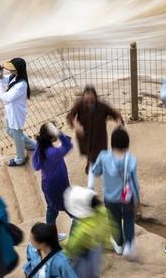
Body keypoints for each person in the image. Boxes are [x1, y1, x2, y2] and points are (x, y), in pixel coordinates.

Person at [88, 127, 140, 258]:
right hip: (126, 197)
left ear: (112, 142)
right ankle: (129, 245)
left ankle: (118, 245)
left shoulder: (103, 156)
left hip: (110, 198)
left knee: (115, 221)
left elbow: (96, 172)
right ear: (126, 143)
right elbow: (134, 182)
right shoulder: (131, 159)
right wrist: (137, 199)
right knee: (128, 219)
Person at [65, 86, 124, 172]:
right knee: (88, 151)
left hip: (99, 135)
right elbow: (70, 116)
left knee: (100, 152)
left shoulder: (102, 106)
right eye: (86, 100)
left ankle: (97, 163)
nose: (89, 102)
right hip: (84, 134)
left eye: (91, 100)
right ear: (83, 98)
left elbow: (115, 114)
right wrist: (76, 124)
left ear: (95, 97)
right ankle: (90, 161)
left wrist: (119, 122)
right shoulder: (79, 105)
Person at [62, 186, 115, 278]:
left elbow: (71, 248)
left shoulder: (82, 230)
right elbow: (110, 229)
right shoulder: (103, 212)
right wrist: (106, 243)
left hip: (84, 256)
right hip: (97, 248)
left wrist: (62, 245)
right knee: (94, 271)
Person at [32, 121, 73, 233]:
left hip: (47, 185)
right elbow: (68, 145)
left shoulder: (40, 147)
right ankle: (79, 224)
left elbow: (36, 166)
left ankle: (51, 234)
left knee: (52, 208)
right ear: (52, 137)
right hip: (59, 184)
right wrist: (60, 134)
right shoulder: (53, 153)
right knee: (70, 204)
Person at [0, 58, 37, 167]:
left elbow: (5, 97)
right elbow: (4, 80)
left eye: (12, 69)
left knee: (17, 135)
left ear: (18, 70)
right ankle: (33, 145)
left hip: (16, 114)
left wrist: (0, 84)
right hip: (9, 111)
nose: (9, 71)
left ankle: (20, 159)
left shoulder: (22, 85)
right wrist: (0, 76)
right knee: (9, 131)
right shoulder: (14, 77)